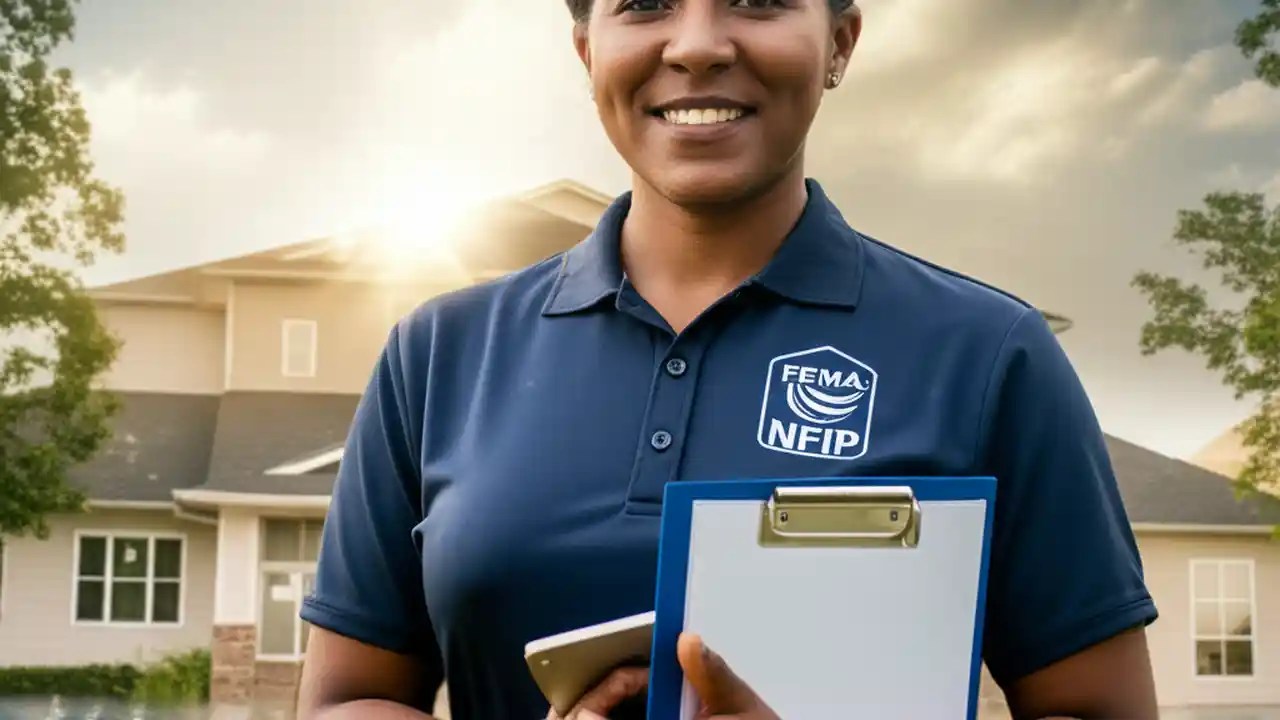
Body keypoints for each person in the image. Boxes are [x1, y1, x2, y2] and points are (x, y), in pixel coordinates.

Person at [295, 0, 1161, 718]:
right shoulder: (439, 353)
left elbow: (1102, 708)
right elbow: (345, 700)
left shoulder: (989, 354)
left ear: (840, 43)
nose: (699, 44)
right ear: (588, 49)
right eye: (643, 3)